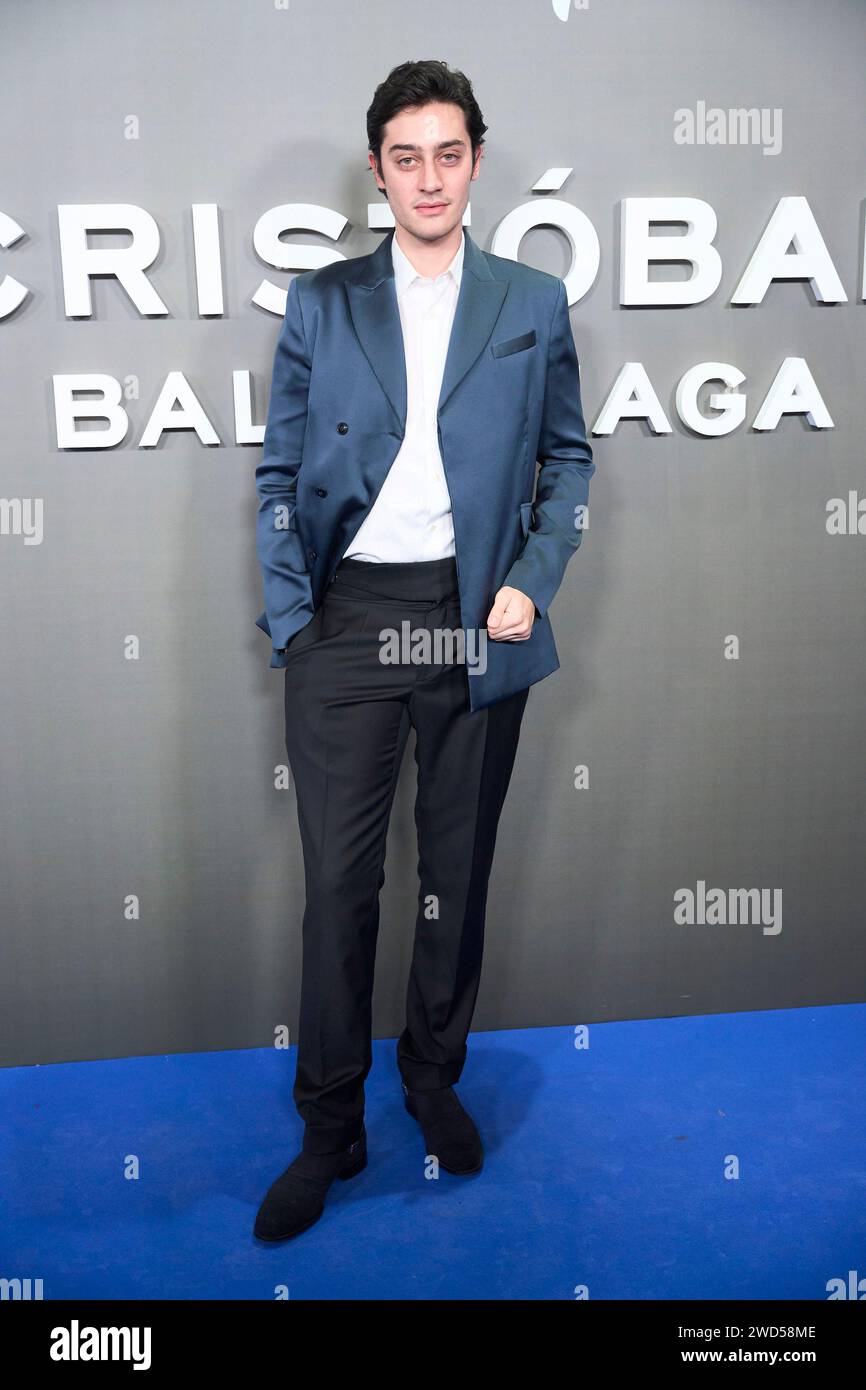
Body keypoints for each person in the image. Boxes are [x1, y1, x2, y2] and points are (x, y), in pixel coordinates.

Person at [252, 59, 594, 1241]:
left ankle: (430, 1078)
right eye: (406, 156)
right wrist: (296, 620)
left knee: (454, 875)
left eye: (448, 153)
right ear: (378, 169)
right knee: (340, 889)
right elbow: (277, 473)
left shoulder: (530, 303)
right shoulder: (323, 299)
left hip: (470, 620)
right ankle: (329, 1126)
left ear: (476, 162)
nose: (428, 176)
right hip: (347, 622)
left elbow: (570, 465)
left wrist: (529, 580)